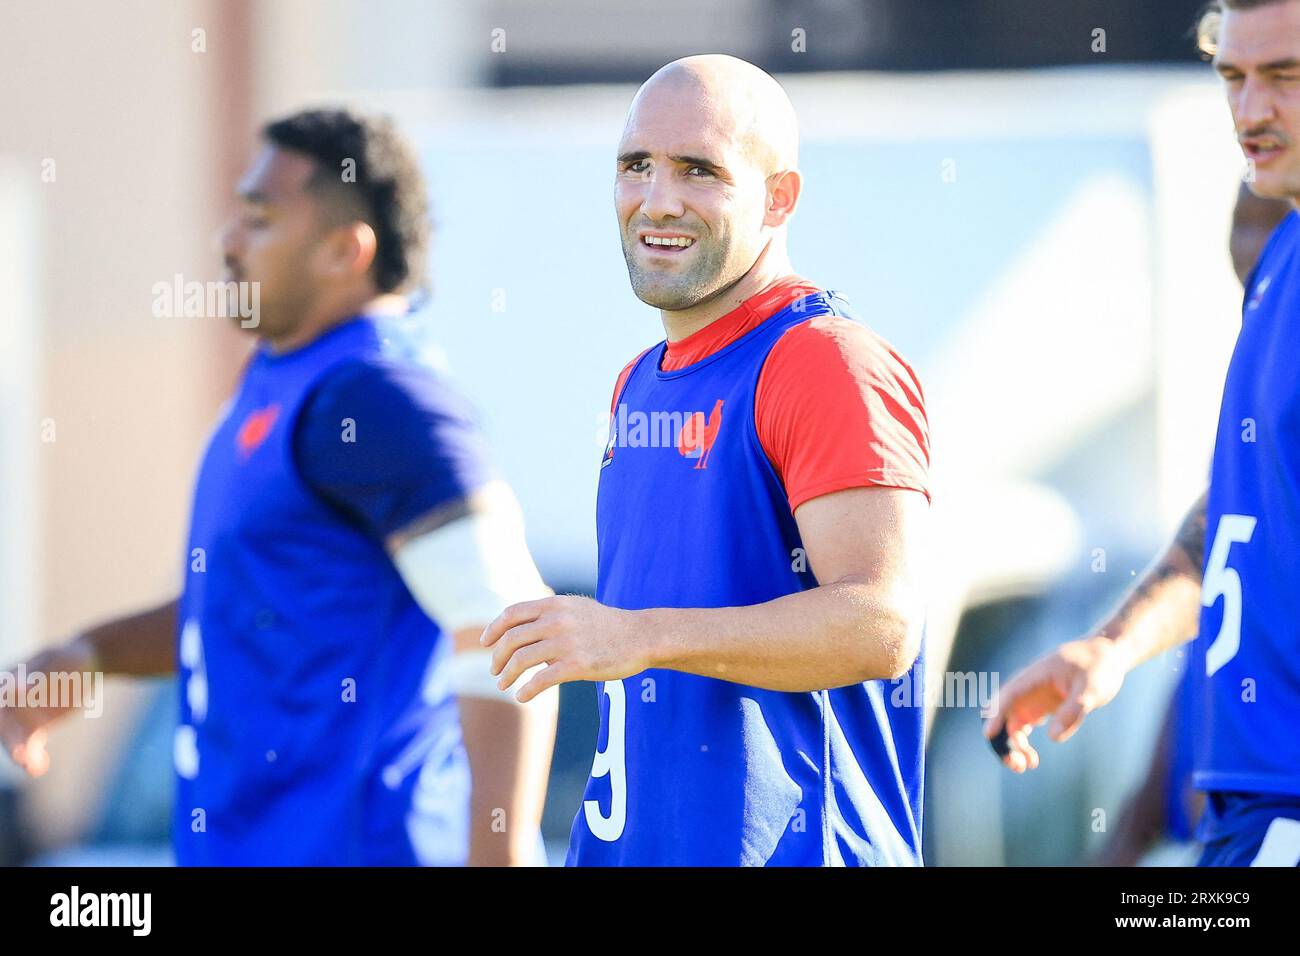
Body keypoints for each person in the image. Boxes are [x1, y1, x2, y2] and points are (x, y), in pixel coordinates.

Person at [0, 108, 557, 866]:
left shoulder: (379, 397)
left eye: (258, 219)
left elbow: (511, 631)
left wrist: (498, 855)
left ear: (343, 250)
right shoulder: (281, 376)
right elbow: (244, 603)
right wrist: (90, 655)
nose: (228, 241)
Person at [481, 55, 931, 866]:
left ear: (780, 197)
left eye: (699, 170)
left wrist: (636, 636)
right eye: (635, 166)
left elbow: (881, 622)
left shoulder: (823, 360)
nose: (658, 200)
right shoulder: (634, 384)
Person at [986, 1, 1300, 868]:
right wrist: (1112, 646)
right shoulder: (1279, 259)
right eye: (1233, 76)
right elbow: (1246, 508)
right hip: (1246, 814)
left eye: (1287, 75)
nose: (1251, 110)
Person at [1092, 181, 1290, 867]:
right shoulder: (1263, 326)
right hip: (1240, 815)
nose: (1255, 246)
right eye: (1244, 221)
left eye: (1277, 223)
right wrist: (1109, 648)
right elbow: (1225, 534)